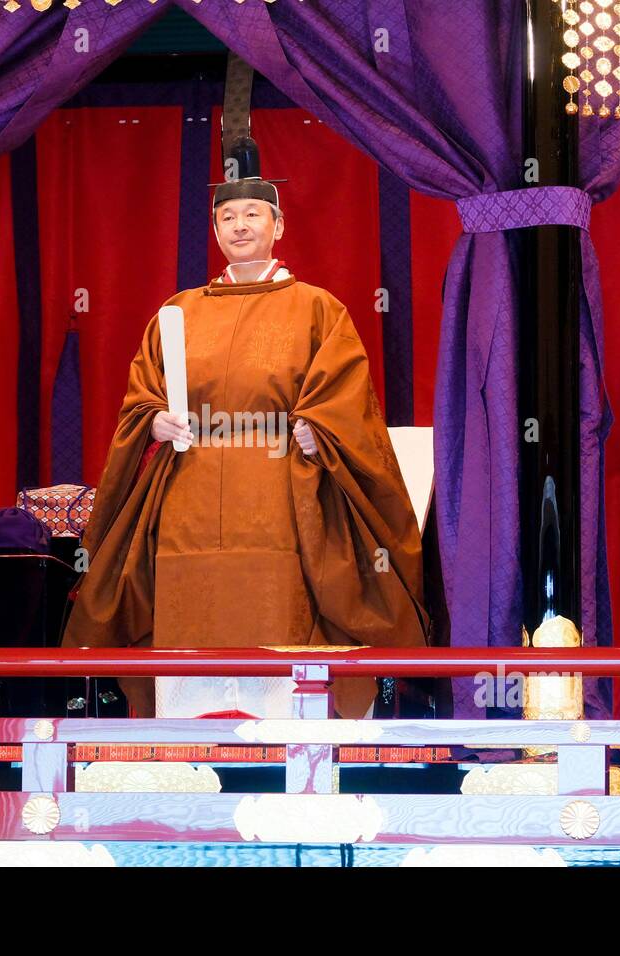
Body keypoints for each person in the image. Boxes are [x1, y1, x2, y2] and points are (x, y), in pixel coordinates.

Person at [61, 141, 429, 719]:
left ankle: (282, 741)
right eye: (226, 217)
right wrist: (152, 419)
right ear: (214, 229)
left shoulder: (317, 308)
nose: (239, 226)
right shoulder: (178, 311)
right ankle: (183, 741)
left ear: (278, 225)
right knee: (186, 606)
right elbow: (141, 397)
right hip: (191, 488)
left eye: (252, 214)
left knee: (276, 605)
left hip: (281, 489)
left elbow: (347, 397)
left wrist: (317, 426)